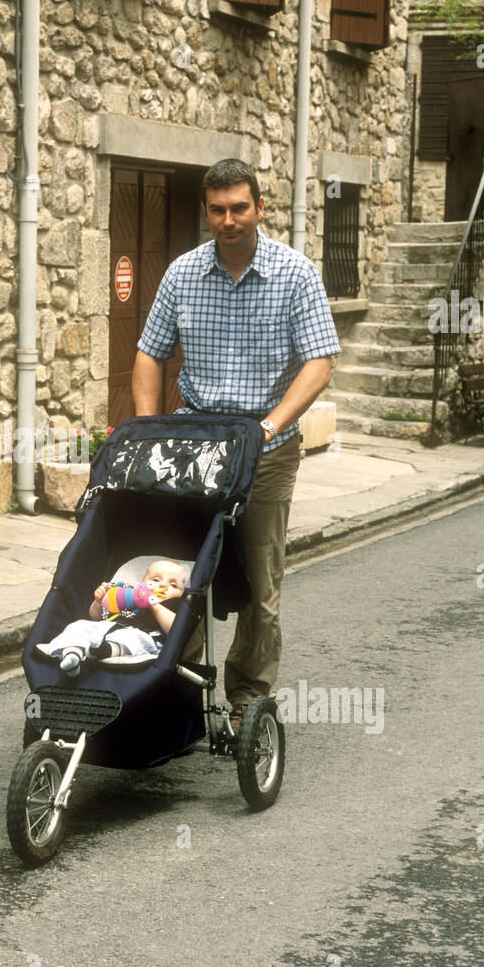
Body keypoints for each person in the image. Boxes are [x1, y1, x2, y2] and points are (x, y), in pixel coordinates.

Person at [131, 158, 340, 730]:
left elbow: (319, 362)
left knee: (259, 578)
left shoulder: (296, 274)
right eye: (218, 210)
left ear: (259, 208)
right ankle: (178, 685)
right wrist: (149, 429)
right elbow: (150, 352)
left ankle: (248, 699)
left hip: (265, 448)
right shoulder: (182, 274)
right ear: (206, 212)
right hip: (194, 448)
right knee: (179, 573)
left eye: (239, 208)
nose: (228, 220)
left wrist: (270, 425)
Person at [36, 559, 188, 677]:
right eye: (155, 580)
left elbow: (176, 628)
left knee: (132, 637)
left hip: (144, 639)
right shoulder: (128, 596)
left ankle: (104, 651)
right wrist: (98, 602)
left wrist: (154, 605)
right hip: (106, 631)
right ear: (141, 584)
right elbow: (95, 619)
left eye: (173, 585)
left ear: (182, 594)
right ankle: (72, 655)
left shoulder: (173, 606)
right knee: (79, 625)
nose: (163, 586)